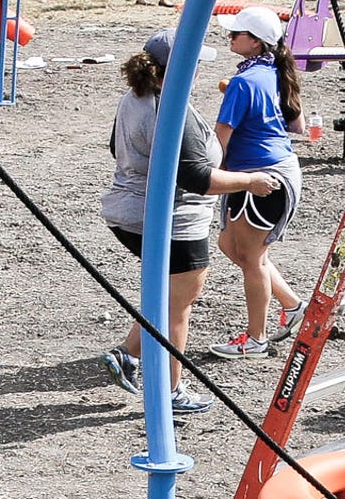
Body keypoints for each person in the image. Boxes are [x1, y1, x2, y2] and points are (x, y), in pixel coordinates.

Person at [101, 34, 285, 414]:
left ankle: (127, 355)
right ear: (182, 66)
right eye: (195, 61)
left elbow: (115, 147)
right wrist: (251, 181)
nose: (200, 67)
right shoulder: (172, 111)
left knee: (166, 294)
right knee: (179, 306)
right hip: (174, 222)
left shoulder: (134, 98)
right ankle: (170, 392)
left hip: (127, 211)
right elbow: (199, 178)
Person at [208, 8, 307, 359]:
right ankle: (292, 305)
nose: (230, 37)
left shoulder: (242, 83)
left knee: (252, 258)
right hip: (269, 172)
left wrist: (206, 176)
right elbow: (297, 126)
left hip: (260, 177)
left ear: (255, 41)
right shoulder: (269, 73)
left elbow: (221, 137)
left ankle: (256, 339)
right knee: (231, 247)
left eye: (236, 34)